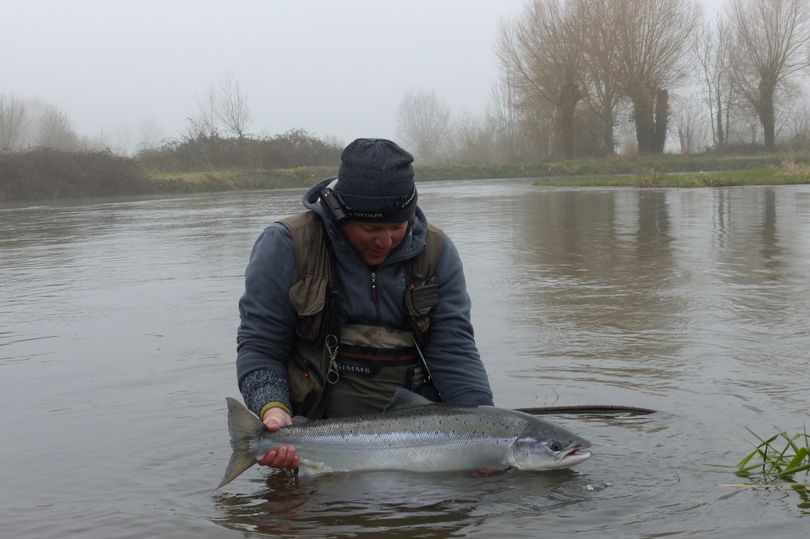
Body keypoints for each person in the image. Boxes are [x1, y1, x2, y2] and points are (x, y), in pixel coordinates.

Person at [236, 138, 493, 469]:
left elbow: (454, 350)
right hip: (313, 431)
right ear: (340, 214)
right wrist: (273, 409)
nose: (385, 242)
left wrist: (481, 435)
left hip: (418, 439)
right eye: (371, 229)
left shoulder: (437, 252)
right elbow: (261, 345)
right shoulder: (286, 245)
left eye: (397, 227)